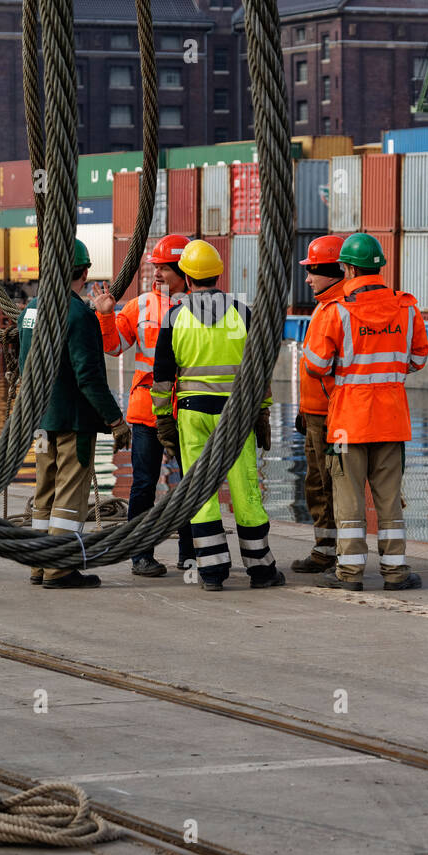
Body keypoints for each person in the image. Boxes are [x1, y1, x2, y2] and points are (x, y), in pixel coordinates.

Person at [150, 238, 284, 592]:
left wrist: (163, 417)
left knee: (200, 490)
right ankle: (261, 569)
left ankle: (211, 571)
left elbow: (162, 376)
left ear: (188, 277)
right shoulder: (243, 312)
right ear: (218, 274)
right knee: (246, 489)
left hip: (192, 416)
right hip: (236, 416)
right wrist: (263, 414)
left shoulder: (174, 316)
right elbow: (261, 371)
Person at [303, 232, 428, 592]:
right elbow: (418, 358)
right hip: (392, 419)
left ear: (347, 267)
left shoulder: (336, 310)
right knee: (389, 500)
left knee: (349, 500)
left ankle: (349, 574)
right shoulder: (406, 307)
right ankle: (395, 572)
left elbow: (315, 364)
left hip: (347, 423)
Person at [18, 239, 131, 589]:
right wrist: (115, 420)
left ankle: (39, 564)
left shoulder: (31, 310)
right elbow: (89, 377)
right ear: (83, 273)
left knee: (44, 491)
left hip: (39, 422)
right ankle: (60, 569)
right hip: (72, 423)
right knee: (68, 495)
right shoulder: (78, 314)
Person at [93, 233, 195, 577]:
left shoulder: (202, 306)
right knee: (143, 485)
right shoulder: (139, 306)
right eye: (154, 267)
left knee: (191, 483)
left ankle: (190, 553)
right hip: (147, 411)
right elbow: (114, 346)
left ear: (184, 271)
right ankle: (140, 555)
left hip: (187, 411)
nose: (156, 274)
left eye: (163, 268)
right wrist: (106, 315)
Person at [292, 234, 346, 574]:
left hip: (329, 414)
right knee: (319, 482)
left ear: (334, 270)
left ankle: (329, 551)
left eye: (313, 271)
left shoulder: (337, 308)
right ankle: (329, 547)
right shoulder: (326, 305)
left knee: (326, 485)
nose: (308, 278)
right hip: (316, 412)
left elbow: (320, 366)